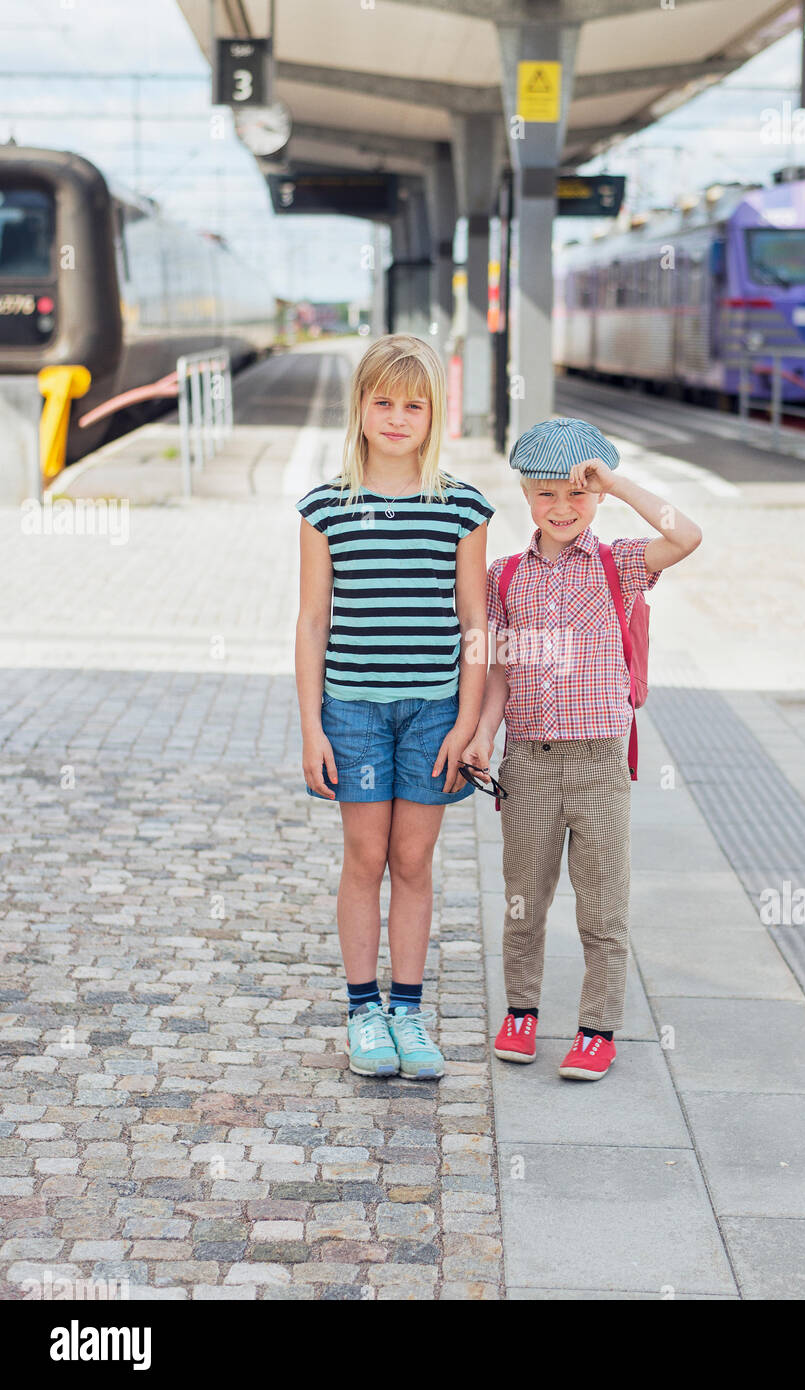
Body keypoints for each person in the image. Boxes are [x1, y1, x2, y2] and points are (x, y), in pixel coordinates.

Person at [462, 417, 701, 1080]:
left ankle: (597, 1028)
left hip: (598, 762)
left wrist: (618, 483)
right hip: (527, 762)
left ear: (594, 496)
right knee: (523, 899)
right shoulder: (504, 576)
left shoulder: (617, 564)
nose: (561, 508)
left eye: (576, 493)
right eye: (544, 494)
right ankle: (521, 1013)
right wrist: (483, 733)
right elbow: (498, 669)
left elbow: (685, 534)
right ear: (523, 495)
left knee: (601, 904)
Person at [295, 333, 494, 1080]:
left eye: (414, 405)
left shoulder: (462, 507)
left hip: (435, 712)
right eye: (383, 401)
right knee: (365, 857)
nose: (398, 417)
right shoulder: (325, 507)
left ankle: (407, 1011)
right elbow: (313, 621)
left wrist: (469, 724)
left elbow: (477, 624)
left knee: (413, 861)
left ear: (434, 412)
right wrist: (312, 725)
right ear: (361, 407)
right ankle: (361, 1012)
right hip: (351, 711)